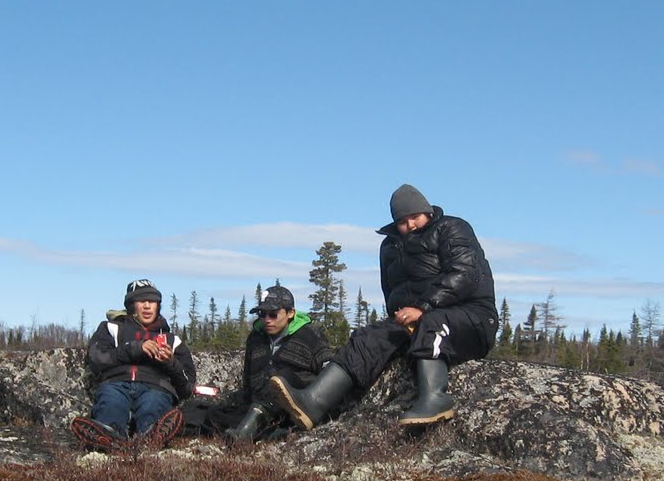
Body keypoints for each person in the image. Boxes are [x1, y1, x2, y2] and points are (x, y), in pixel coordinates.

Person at [269, 184, 497, 431]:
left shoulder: (452, 228)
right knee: (366, 339)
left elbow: (465, 274)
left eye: (415, 217)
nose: (410, 225)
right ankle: (313, 401)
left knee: (431, 324)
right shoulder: (390, 245)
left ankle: (435, 399)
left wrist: (423, 308)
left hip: (472, 317)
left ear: (428, 212)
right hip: (415, 320)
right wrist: (399, 316)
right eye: (402, 221)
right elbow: (391, 290)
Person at [70, 279, 194, 453]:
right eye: (141, 301)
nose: (147, 306)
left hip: (156, 387)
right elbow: (97, 359)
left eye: (152, 301)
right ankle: (109, 437)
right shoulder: (111, 328)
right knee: (112, 403)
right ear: (131, 305)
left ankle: (151, 437)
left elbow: (187, 387)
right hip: (116, 383)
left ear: (158, 306)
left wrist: (170, 362)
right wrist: (135, 348)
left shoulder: (173, 340)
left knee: (153, 405)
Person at [208, 285, 332, 443]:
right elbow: (247, 380)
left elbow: (328, 375)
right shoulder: (255, 338)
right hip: (255, 408)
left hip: (294, 410)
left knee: (281, 378)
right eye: (262, 314)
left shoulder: (310, 336)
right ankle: (263, 432)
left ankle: (248, 434)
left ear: (290, 313)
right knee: (209, 412)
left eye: (273, 314)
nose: (267, 319)